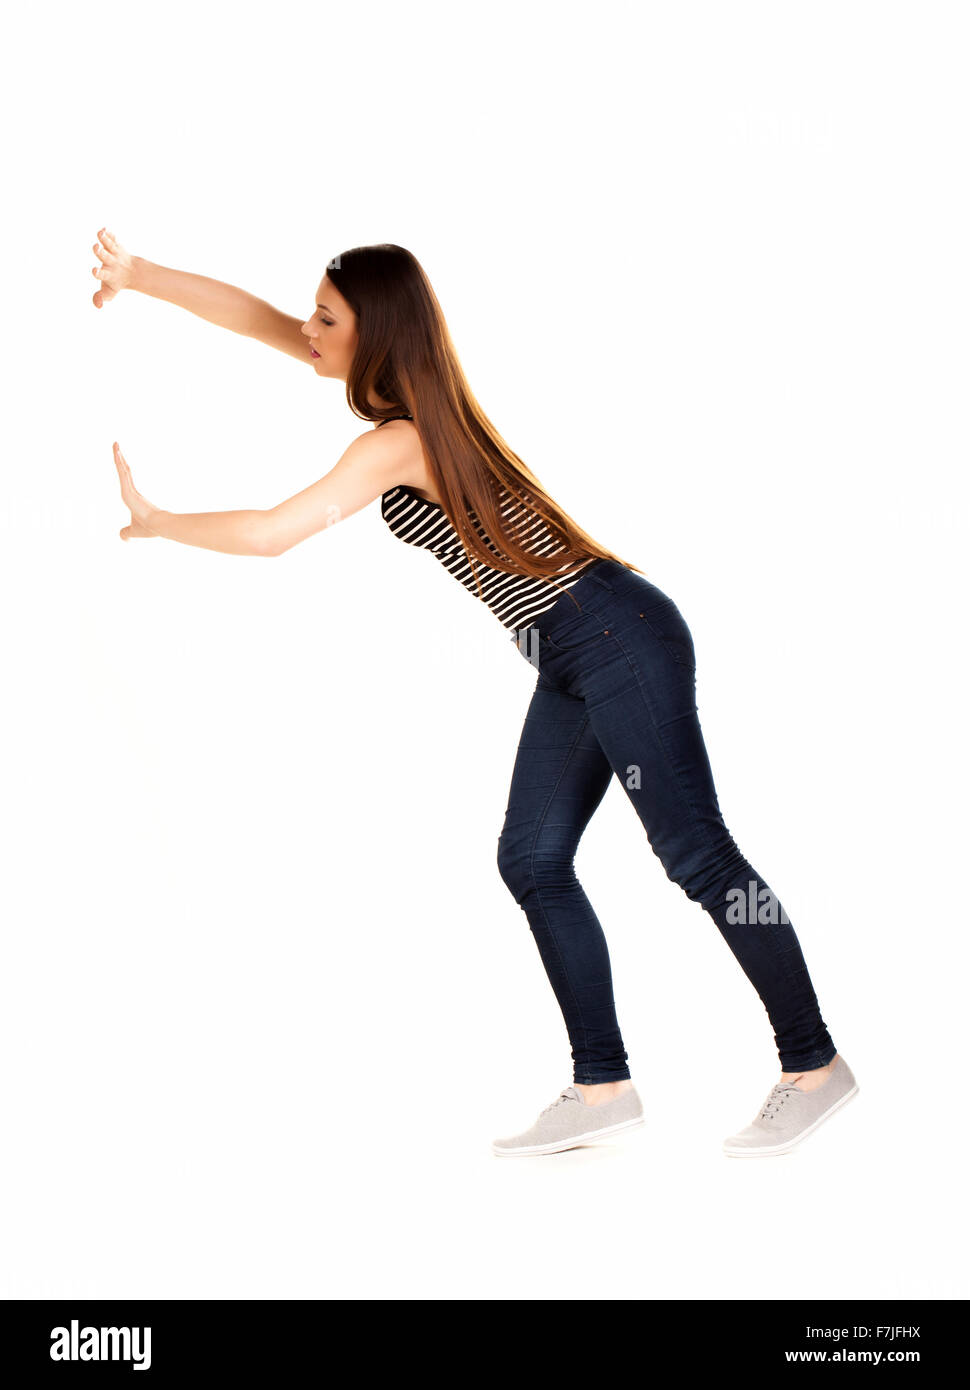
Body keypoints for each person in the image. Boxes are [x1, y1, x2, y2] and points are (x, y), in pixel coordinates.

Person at [92, 230, 859, 1159]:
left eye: (327, 319)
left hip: (618, 636)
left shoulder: (398, 441)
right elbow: (262, 322)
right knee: (532, 858)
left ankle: (813, 1062)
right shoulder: (416, 409)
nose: (308, 329)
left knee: (697, 855)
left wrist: (162, 521)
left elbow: (268, 535)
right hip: (577, 654)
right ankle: (602, 1083)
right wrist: (139, 278)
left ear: (374, 336)